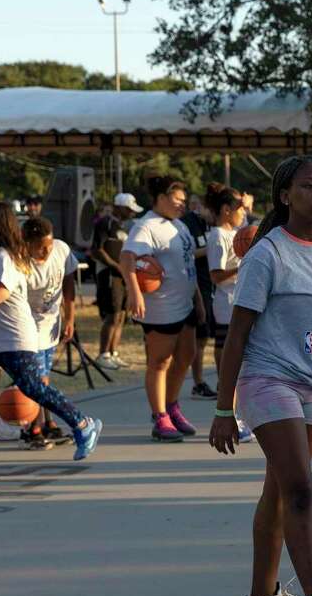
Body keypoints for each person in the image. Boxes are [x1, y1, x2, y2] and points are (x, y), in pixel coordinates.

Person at [209, 155, 312, 596]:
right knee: (301, 490)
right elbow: (237, 335)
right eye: (309, 186)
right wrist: (223, 408)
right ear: (285, 195)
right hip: (267, 380)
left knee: (279, 493)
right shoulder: (266, 256)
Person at [0, 203, 101, 460]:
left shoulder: (4, 257)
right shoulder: (2, 255)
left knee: (34, 387)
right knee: (33, 386)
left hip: (14, 337)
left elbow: (2, 292)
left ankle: (83, 425)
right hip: (0, 338)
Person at [121, 176, 204, 442]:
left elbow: (188, 263)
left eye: (183, 200)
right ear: (160, 198)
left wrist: (198, 298)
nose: (182, 204)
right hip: (162, 306)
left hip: (186, 301)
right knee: (160, 361)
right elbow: (127, 258)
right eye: (177, 199)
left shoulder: (178, 224)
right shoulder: (146, 226)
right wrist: (134, 291)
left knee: (187, 356)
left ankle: (171, 405)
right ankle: (159, 417)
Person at [22, 217, 80, 450]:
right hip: (27, 326)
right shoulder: (21, 263)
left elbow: (68, 282)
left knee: (44, 376)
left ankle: (47, 423)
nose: (46, 251)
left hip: (50, 324)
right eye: (40, 247)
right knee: (38, 378)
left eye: (49, 245)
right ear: (27, 244)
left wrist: (70, 317)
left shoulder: (61, 250)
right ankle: (32, 428)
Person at [205, 184, 253, 443]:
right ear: (226, 211)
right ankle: (230, 418)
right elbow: (215, 275)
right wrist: (243, 266)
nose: (243, 214)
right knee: (230, 369)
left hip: (238, 303)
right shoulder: (217, 236)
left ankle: (240, 417)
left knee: (243, 367)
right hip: (226, 306)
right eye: (239, 209)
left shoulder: (236, 233)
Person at [91, 192, 142, 370]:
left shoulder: (123, 226)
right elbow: (97, 250)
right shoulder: (105, 223)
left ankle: (113, 352)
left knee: (121, 314)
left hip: (122, 275)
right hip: (109, 274)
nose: (132, 213)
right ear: (120, 207)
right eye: (129, 209)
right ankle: (103, 353)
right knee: (112, 313)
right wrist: (116, 266)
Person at [183, 186, 218, 400]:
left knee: (207, 337)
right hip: (199, 283)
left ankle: (203, 381)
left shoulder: (213, 223)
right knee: (200, 336)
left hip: (213, 284)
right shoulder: (190, 222)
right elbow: (189, 254)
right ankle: (197, 381)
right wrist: (211, 248)